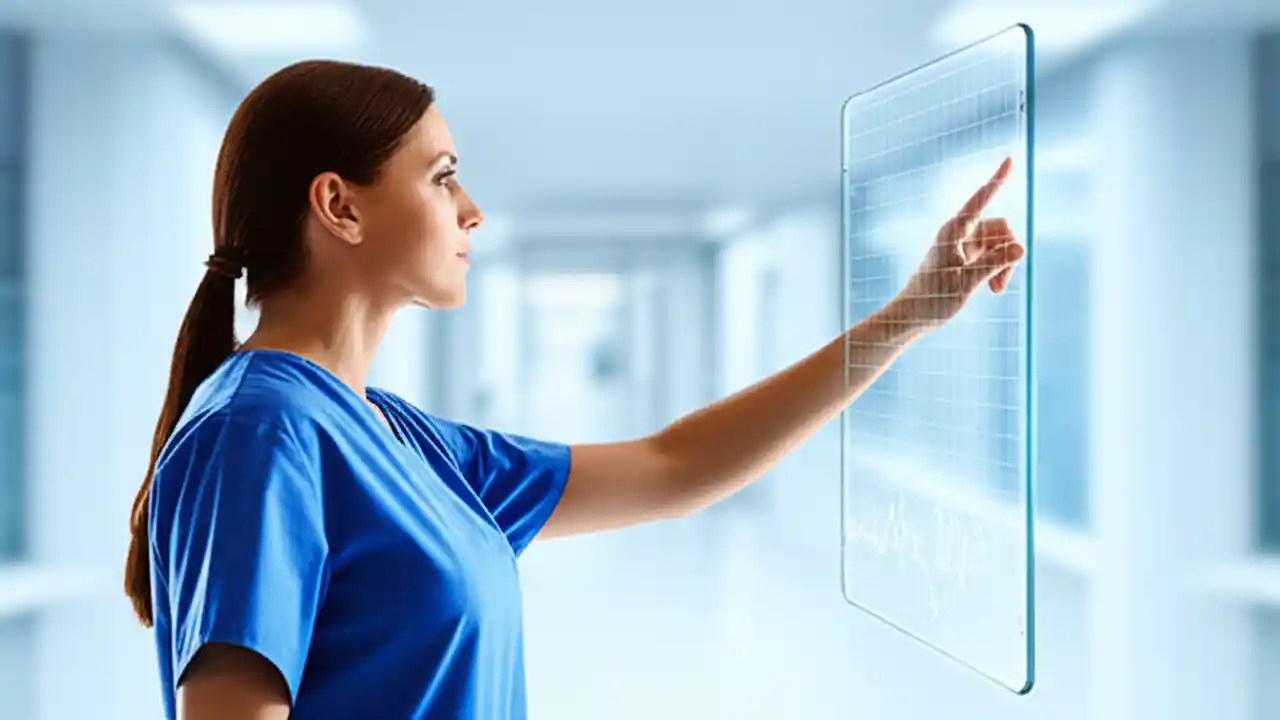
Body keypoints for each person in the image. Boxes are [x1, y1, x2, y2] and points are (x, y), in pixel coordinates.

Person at [122, 59, 1024, 720]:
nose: (472, 209)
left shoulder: (396, 437)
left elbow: (673, 466)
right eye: (442, 177)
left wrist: (906, 317)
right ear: (340, 206)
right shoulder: (259, 432)